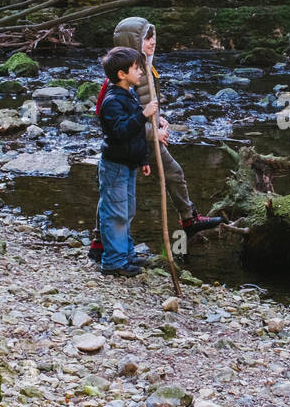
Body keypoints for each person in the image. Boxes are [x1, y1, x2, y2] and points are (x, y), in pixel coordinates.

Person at [89, 16, 222, 263]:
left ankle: (187, 218)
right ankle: (104, 244)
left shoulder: (143, 67)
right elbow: (124, 119)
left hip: (142, 137)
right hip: (137, 140)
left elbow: (146, 105)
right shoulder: (124, 75)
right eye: (146, 38)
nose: (152, 42)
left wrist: (159, 119)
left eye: (153, 37)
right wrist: (154, 133)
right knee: (117, 191)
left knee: (157, 179)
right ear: (133, 41)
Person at [95, 47, 156, 277]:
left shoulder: (127, 94)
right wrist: (143, 114)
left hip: (129, 164)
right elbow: (121, 131)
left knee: (127, 210)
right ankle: (113, 261)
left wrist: (143, 159)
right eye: (136, 68)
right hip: (115, 166)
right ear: (122, 74)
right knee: (115, 211)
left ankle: (126, 253)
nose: (140, 71)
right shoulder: (111, 101)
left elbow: (136, 135)